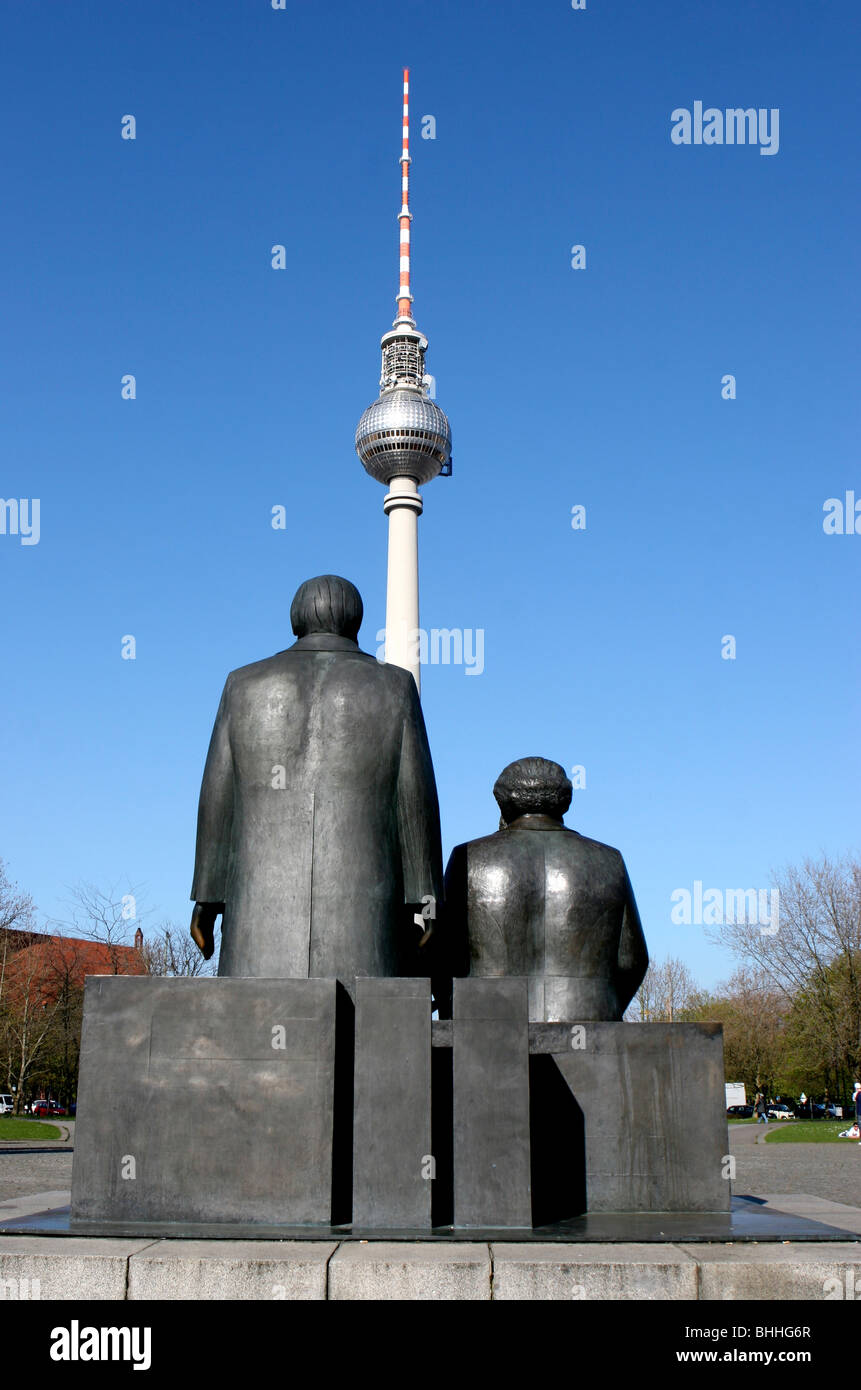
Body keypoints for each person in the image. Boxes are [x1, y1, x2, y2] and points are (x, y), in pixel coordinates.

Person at [189, 575, 444, 996]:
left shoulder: (242, 684)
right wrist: (426, 898)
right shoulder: (395, 685)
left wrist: (207, 897)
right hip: (364, 904)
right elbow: (415, 796)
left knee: (251, 1025)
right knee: (365, 1036)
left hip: (259, 904)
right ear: (356, 621)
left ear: (296, 619)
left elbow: (217, 796)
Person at [443, 756, 648, 1021]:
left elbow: (441, 953)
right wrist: (602, 1006)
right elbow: (632, 960)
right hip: (586, 1023)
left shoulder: (467, 857)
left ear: (503, 803)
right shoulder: (609, 859)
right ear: (564, 802)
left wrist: (454, 1011)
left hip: (488, 1027)